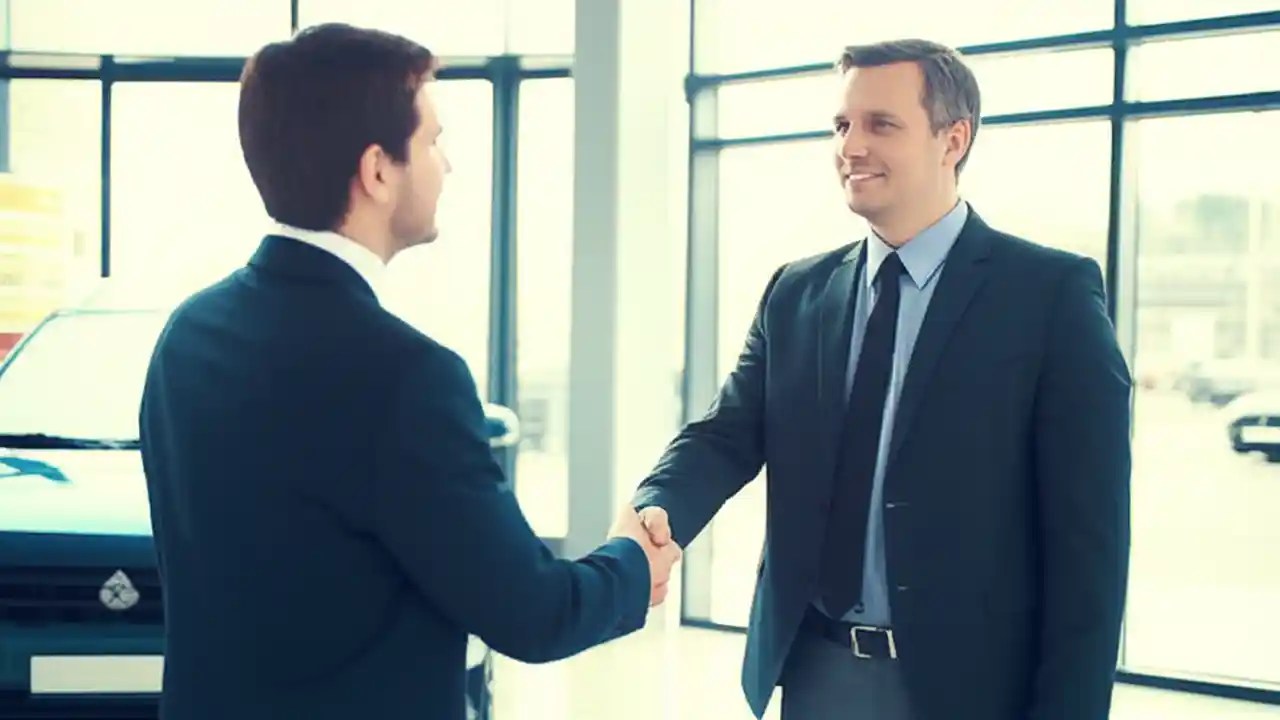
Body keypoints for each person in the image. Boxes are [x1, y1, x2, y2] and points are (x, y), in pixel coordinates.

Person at [138, 23, 679, 720]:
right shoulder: (404, 377)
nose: (445, 166)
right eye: (432, 141)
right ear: (377, 171)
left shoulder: (186, 336)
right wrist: (633, 565)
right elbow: (532, 611)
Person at [632, 38, 1131, 720]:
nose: (851, 146)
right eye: (842, 124)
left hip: (972, 689)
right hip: (815, 672)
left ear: (953, 139)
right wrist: (658, 509)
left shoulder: (1050, 296)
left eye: (881, 124)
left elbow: (1090, 554)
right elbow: (726, 435)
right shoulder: (797, 292)